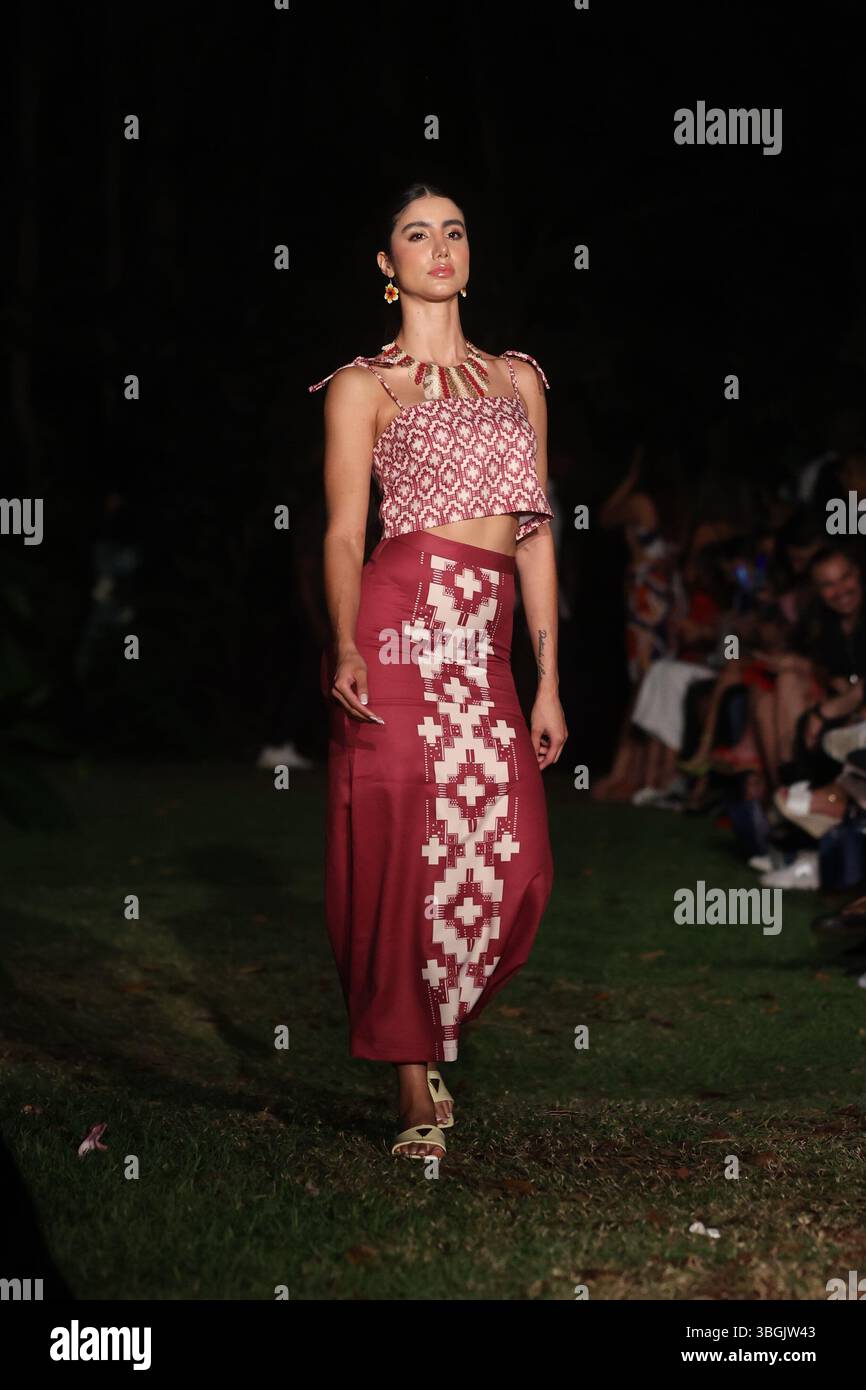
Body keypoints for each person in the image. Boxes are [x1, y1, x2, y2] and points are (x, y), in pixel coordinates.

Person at [308, 183, 567, 1161]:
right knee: (399, 851)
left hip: (484, 638)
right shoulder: (361, 387)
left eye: (454, 228)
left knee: (519, 861)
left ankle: (432, 1018)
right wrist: (342, 642)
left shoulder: (517, 381)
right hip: (397, 621)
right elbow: (340, 535)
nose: (439, 245)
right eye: (415, 233)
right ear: (387, 267)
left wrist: (544, 680)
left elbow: (536, 538)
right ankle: (410, 1083)